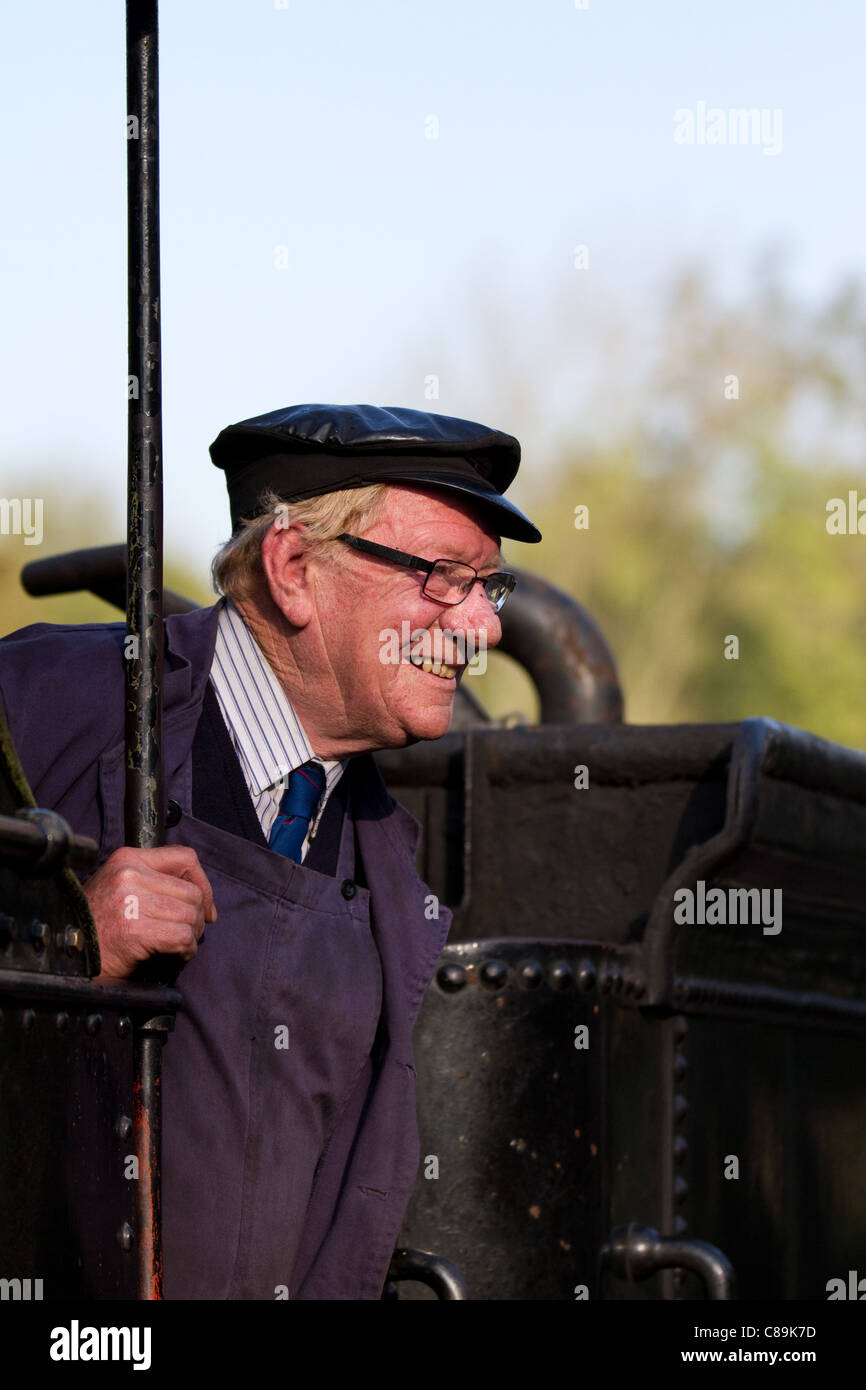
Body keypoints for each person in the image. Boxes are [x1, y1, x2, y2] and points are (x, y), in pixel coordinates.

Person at [0, 403, 541, 1299]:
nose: (483, 627)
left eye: (490, 586)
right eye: (444, 577)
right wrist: (59, 948)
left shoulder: (387, 869)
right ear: (293, 569)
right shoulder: (38, 705)